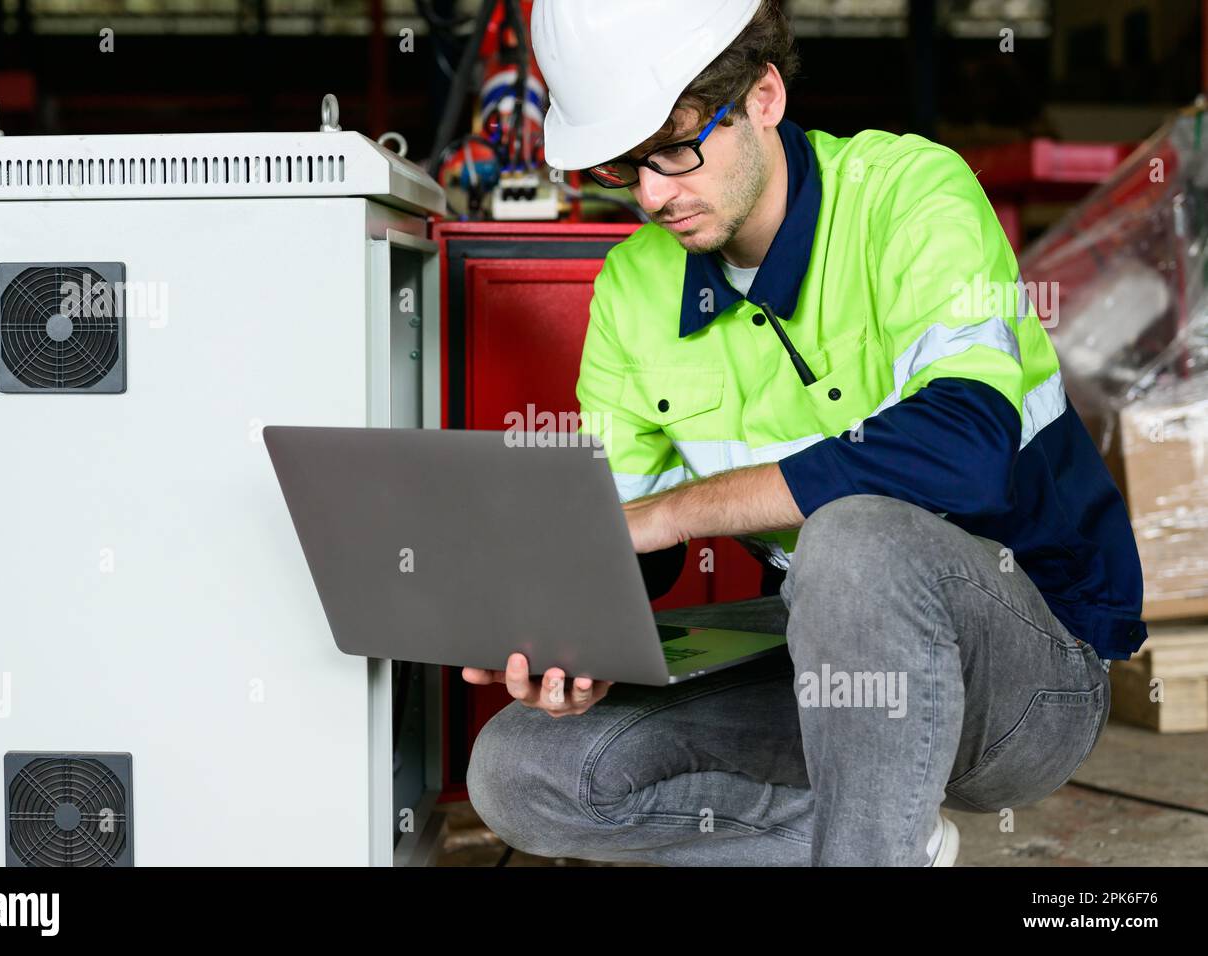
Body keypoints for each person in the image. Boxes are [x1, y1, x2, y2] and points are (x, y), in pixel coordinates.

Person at [463, 0, 1146, 866]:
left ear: (763, 97)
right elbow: (629, 540)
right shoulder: (634, 288)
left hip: (1026, 682)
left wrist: (674, 514)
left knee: (853, 537)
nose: (651, 195)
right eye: (621, 167)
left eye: (674, 149)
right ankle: (888, 843)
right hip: (829, 660)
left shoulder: (910, 194)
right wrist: (572, 634)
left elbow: (963, 448)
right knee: (524, 770)